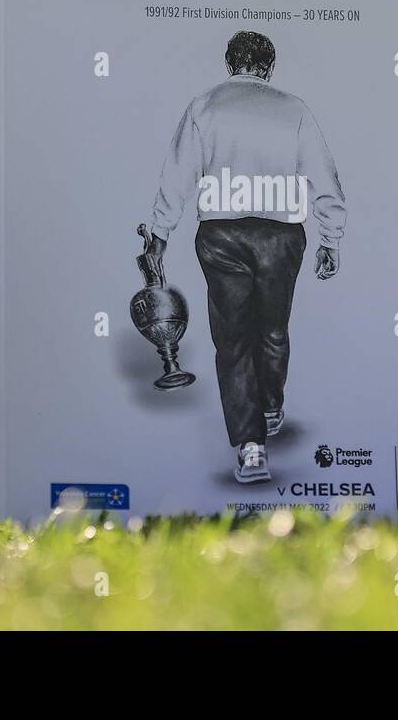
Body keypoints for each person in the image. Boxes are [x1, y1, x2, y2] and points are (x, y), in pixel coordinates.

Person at [143, 30, 346, 483]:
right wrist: (330, 236)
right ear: (269, 68)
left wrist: (159, 232)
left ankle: (250, 447)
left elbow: (177, 174)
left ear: (230, 62)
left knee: (232, 341)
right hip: (281, 234)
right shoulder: (294, 109)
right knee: (274, 331)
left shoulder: (204, 107)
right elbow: (323, 176)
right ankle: (270, 407)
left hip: (221, 234)